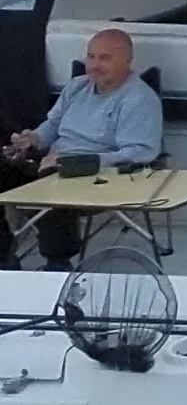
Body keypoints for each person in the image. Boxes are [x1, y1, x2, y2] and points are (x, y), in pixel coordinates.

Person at [0, 27, 165, 272]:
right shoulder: (77, 86)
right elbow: (53, 125)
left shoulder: (139, 99)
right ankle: (4, 258)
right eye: (91, 57)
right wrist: (32, 140)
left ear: (128, 61)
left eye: (105, 58)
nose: (94, 65)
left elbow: (141, 152)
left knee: (55, 180)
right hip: (51, 162)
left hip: (100, 176)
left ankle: (57, 264)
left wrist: (79, 161)